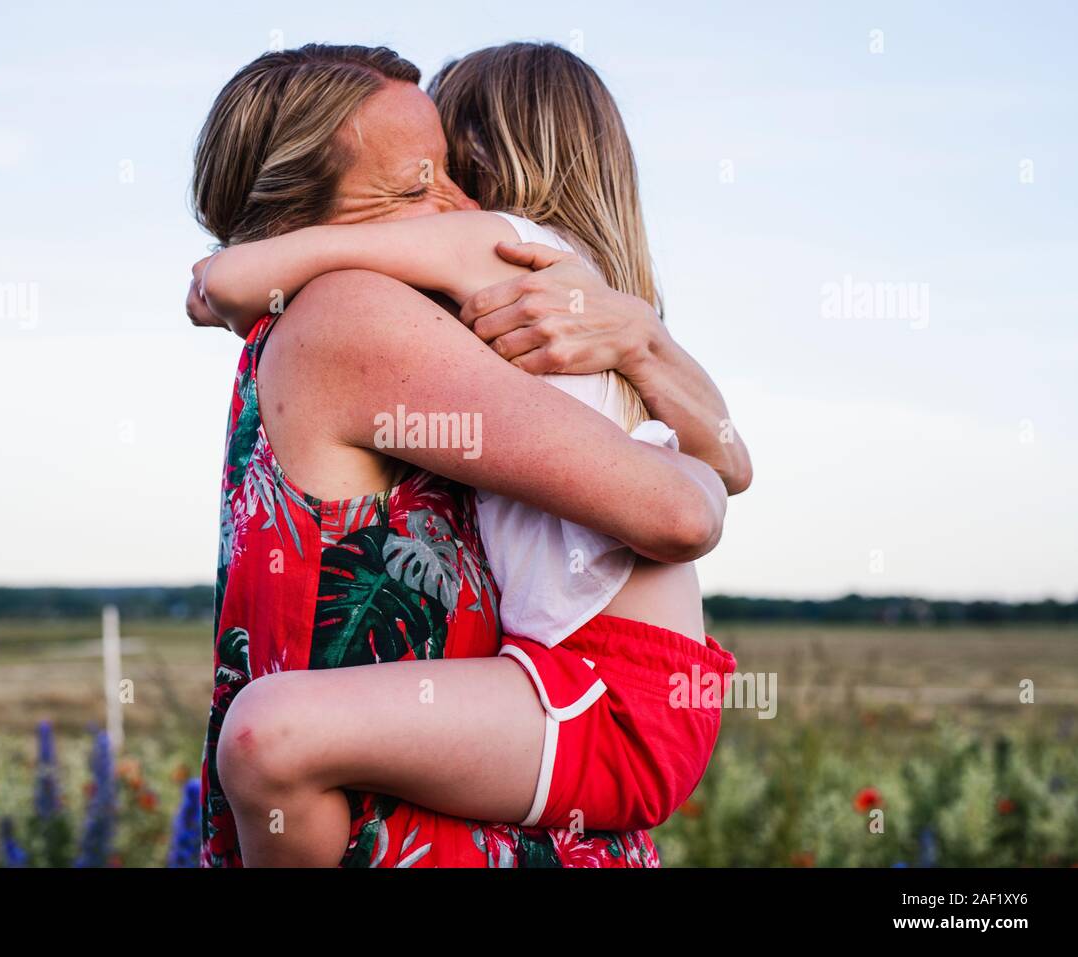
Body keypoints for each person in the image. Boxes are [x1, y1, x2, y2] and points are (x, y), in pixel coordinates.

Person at [186, 43, 750, 867]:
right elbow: (712, 481)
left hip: (600, 694)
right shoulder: (360, 312)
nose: (453, 206)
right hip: (590, 695)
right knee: (272, 737)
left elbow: (706, 486)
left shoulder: (510, 261)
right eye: (417, 185)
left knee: (273, 737)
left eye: (456, 172)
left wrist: (230, 272)